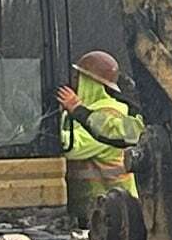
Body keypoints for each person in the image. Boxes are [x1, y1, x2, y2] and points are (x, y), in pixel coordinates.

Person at [57, 48, 141, 219]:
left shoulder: (109, 113)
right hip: (96, 211)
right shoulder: (85, 111)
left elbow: (72, 147)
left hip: (115, 213)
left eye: (79, 77)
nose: (75, 82)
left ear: (91, 82)